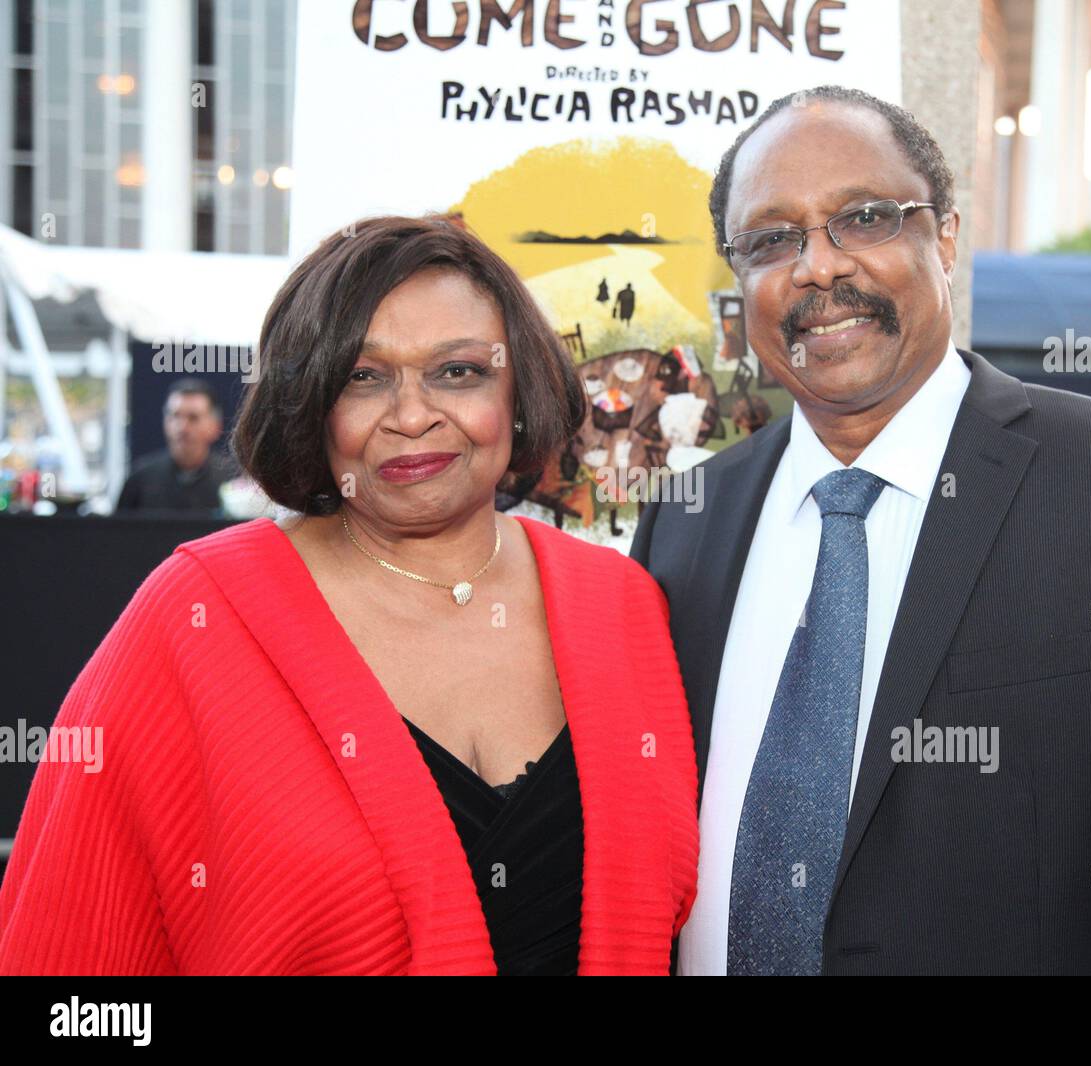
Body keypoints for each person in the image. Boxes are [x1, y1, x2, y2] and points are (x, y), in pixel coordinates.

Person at [631, 85, 1091, 975]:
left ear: (944, 235)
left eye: (864, 219)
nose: (818, 267)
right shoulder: (685, 523)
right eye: (772, 239)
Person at [0, 215, 698, 975]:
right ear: (310, 407)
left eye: (458, 371)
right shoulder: (195, 619)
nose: (410, 416)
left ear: (521, 388)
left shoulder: (624, 606)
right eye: (362, 378)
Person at [115, 377, 232, 513]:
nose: (182, 427)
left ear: (215, 426)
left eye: (193, 418)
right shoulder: (139, 481)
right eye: (175, 416)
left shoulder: (233, 483)